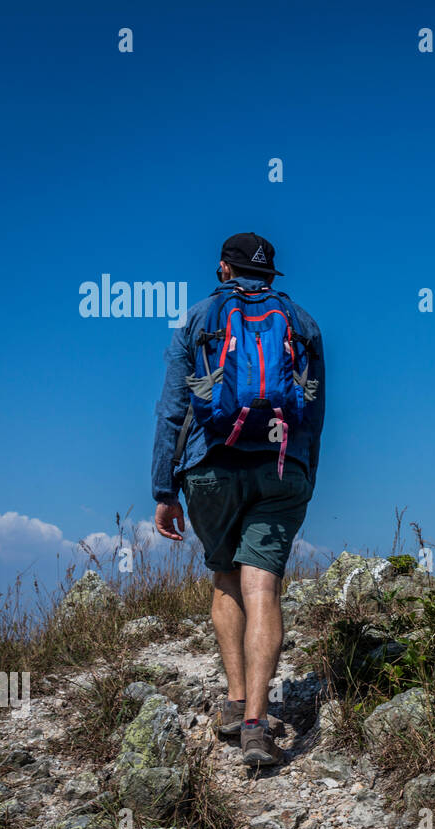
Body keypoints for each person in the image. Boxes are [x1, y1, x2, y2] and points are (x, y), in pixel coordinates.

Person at [151, 233, 326, 767]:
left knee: (226, 576)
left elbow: (171, 411)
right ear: (272, 274)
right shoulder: (303, 324)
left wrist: (164, 489)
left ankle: (233, 703)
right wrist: (303, 475)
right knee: (264, 587)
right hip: (282, 468)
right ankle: (255, 722)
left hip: (210, 467)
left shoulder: (200, 318)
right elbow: (314, 415)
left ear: (224, 268)